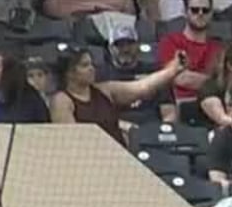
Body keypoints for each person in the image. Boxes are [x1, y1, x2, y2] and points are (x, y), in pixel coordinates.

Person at [50, 47, 183, 148]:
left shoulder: (106, 90)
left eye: (91, 64)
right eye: (84, 65)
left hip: (119, 155)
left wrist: (173, 70)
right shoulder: (62, 100)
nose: (92, 69)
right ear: (69, 73)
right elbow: (70, 141)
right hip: (89, 161)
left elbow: (143, 87)